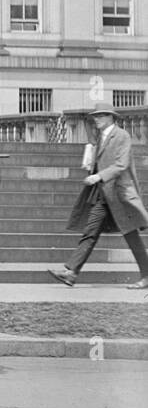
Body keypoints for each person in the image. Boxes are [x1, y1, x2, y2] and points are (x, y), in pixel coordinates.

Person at [49, 106, 148, 289]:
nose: (97, 119)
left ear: (111, 117)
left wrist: (98, 176)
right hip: (103, 195)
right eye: (95, 116)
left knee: (132, 237)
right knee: (90, 232)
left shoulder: (122, 136)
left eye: (101, 115)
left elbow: (121, 164)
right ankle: (71, 272)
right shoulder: (99, 137)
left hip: (119, 195)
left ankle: (147, 276)